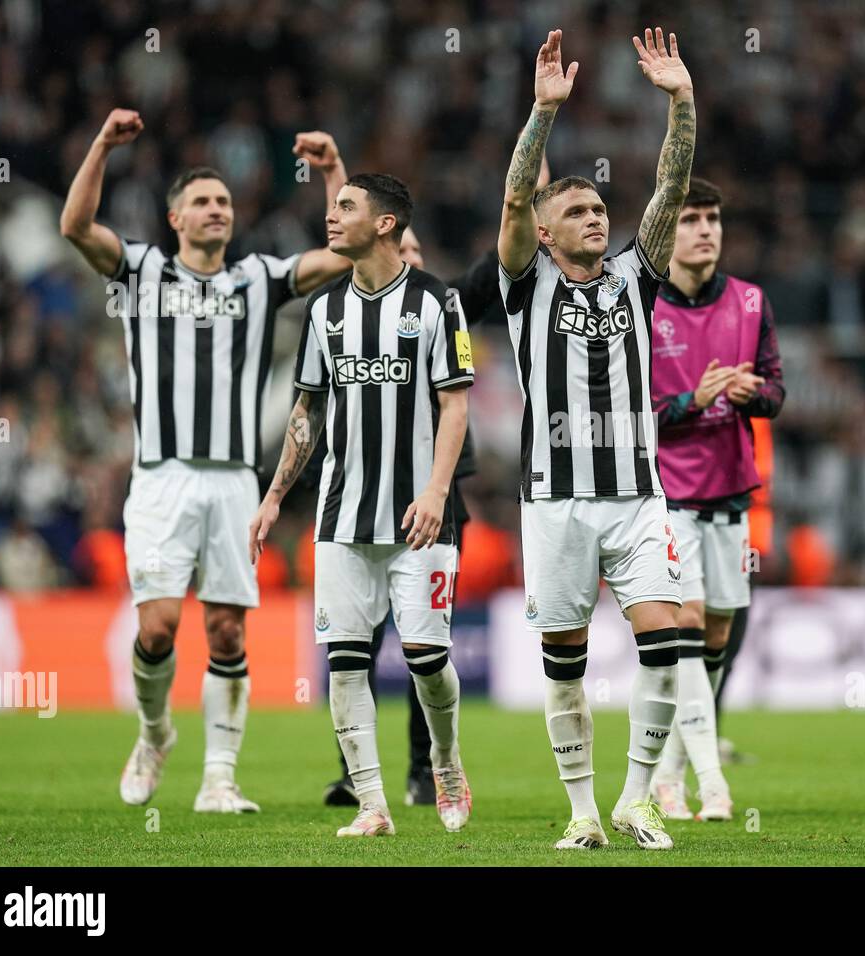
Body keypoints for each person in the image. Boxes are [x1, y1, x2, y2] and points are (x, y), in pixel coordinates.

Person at [59, 108, 350, 812]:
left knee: (225, 628)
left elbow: (347, 252)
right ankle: (155, 733)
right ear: (174, 218)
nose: (217, 209)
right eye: (202, 201)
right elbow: (74, 227)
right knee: (157, 628)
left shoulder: (259, 278)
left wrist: (335, 171)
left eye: (223, 200)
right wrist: (100, 143)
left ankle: (220, 779)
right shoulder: (140, 270)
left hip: (232, 483)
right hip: (161, 477)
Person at [496, 27, 695, 850]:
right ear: (545, 232)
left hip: (637, 497)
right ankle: (581, 812)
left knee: (667, 640)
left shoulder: (634, 274)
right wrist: (542, 114)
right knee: (565, 660)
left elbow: (671, 187)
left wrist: (681, 100)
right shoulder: (524, 280)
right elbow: (513, 201)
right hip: (556, 501)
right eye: (575, 210)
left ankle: (636, 798)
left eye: (597, 209)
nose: (593, 217)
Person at [321, 153, 550, 809]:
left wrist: (538, 171)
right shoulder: (345, 307)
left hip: (434, 498)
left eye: (417, 248)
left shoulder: (444, 303)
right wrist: (337, 171)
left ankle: (428, 769)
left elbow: (513, 248)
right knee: (353, 644)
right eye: (404, 249)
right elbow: (347, 224)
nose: (410, 257)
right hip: (357, 501)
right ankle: (355, 775)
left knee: (424, 647)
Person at [251, 173, 474, 836]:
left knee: (428, 663)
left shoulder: (437, 302)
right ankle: (373, 804)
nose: (332, 216)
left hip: (417, 520)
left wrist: (435, 490)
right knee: (345, 661)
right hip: (341, 517)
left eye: (346, 206)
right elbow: (308, 410)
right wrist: (273, 497)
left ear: (385, 224)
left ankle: (447, 759)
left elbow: (454, 401)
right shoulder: (325, 310)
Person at [648, 177, 785, 820]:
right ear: (666, 232)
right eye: (691, 220)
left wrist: (749, 395)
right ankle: (714, 783)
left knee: (718, 633)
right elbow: (625, 419)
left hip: (732, 492)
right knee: (689, 621)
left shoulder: (752, 302)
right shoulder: (644, 308)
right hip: (668, 496)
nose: (706, 230)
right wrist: (690, 402)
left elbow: (778, 395)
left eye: (712, 219)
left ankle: (666, 777)